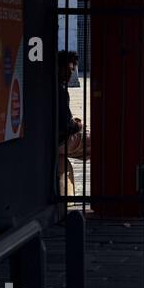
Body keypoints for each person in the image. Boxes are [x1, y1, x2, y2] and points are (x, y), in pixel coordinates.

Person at [57, 50, 87, 197]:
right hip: (61, 140)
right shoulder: (61, 92)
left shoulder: (50, 87)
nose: (71, 74)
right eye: (69, 69)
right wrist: (77, 125)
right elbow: (65, 126)